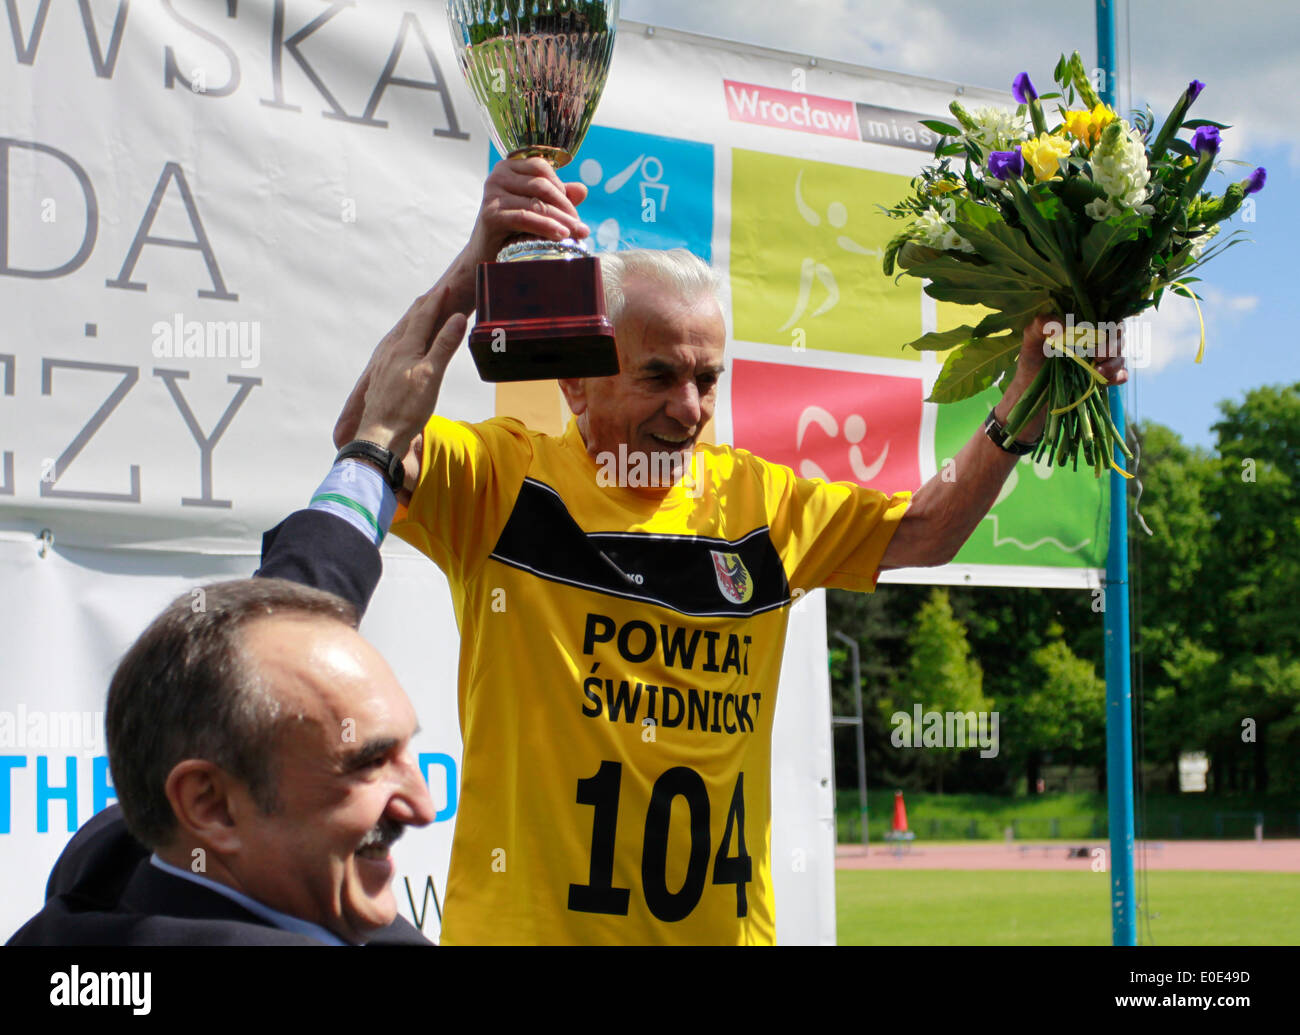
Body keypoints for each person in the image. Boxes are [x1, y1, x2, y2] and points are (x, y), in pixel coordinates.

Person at [271, 158, 1127, 944]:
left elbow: (931, 530)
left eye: (707, 378)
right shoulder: (501, 480)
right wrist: (475, 265)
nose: (689, 407)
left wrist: (1034, 389)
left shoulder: (763, 503)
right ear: (576, 380)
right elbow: (367, 434)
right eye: (658, 375)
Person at [7, 578, 436, 946]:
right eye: (371, 762)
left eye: (405, 751)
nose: (424, 808)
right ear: (209, 805)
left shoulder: (110, 878)